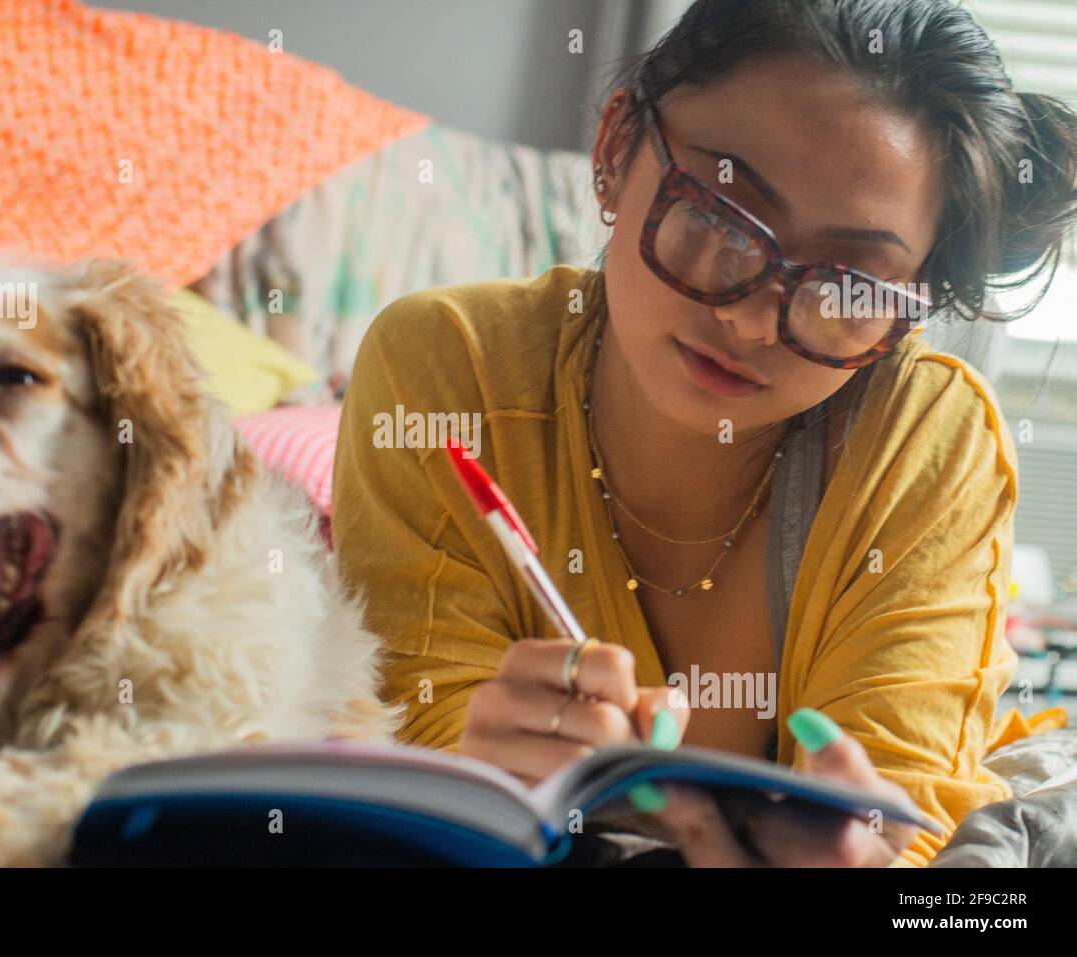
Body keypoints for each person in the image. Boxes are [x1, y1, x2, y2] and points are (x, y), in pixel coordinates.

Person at [332, 0, 1077, 866]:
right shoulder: (447, 370)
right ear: (615, 146)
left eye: (850, 284)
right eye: (722, 216)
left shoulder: (924, 439)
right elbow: (421, 735)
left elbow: (907, 827)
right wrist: (483, 766)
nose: (755, 319)